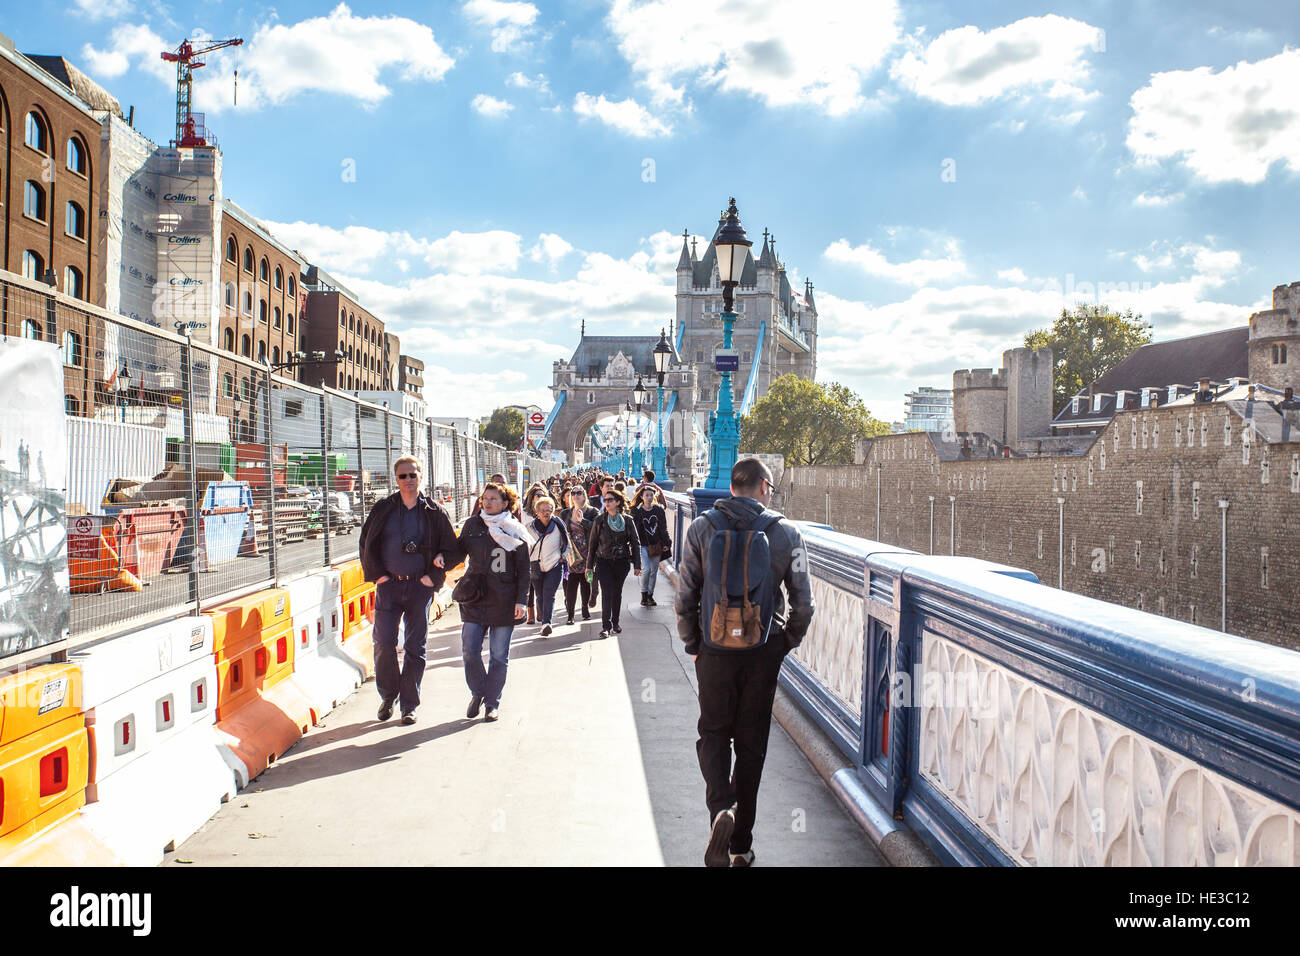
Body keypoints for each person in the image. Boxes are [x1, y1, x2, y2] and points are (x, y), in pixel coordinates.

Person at [674, 457, 815, 867]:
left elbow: (686, 592)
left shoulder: (701, 527)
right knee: (751, 745)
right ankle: (740, 846)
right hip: (761, 650)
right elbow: (804, 600)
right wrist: (784, 641)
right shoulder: (786, 532)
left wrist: (693, 643)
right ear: (764, 487)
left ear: (731, 486)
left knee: (713, 732)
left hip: (714, 649)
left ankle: (721, 806)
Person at [359, 455, 458, 725]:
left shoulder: (434, 512)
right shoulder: (383, 509)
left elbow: (453, 549)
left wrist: (434, 575)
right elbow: (366, 542)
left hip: (419, 587)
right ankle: (388, 695)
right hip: (389, 586)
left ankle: (409, 705)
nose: (408, 480)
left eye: (413, 475)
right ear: (396, 479)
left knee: (416, 646)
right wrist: (378, 576)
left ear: (421, 477)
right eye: (403, 476)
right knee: (383, 643)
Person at [456, 482, 530, 722]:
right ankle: (478, 692)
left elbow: (524, 570)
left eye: (493, 499)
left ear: (505, 503)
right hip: (475, 597)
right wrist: (437, 558)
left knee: (499, 655)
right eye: (484, 498)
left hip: (504, 599)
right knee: (469, 649)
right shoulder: (472, 525)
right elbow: (457, 553)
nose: (486, 502)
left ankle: (491, 703)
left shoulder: (514, 530)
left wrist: (522, 601)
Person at [585, 486, 641, 639]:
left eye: (610, 500)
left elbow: (635, 543)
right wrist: (589, 566)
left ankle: (615, 623)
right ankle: (606, 627)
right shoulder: (600, 520)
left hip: (622, 562)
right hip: (604, 561)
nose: (607, 502)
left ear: (617, 502)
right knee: (607, 593)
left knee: (617, 592)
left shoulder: (628, 520)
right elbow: (593, 544)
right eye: (605, 500)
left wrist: (637, 564)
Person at [526, 493, 569, 637]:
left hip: (554, 566)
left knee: (549, 594)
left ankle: (546, 623)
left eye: (549, 509)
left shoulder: (558, 525)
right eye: (543, 510)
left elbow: (567, 544)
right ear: (537, 512)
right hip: (536, 567)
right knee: (540, 595)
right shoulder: (529, 528)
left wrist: (563, 557)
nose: (546, 513)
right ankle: (545, 621)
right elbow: (524, 548)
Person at [558, 486, 597, 624]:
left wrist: (583, 522)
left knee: (586, 582)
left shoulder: (592, 512)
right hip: (571, 553)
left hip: (587, 552)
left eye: (579, 493)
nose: (575, 495)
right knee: (570, 584)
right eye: (573, 493)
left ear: (584, 496)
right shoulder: (565, 513)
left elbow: (596, 529)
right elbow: (559, 533)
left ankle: (585, 608)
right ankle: (571, 614)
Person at [631, 485, 670, 606]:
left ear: (654, 496)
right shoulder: (637, 512)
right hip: (643, 545)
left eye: (651, 495)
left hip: (656, 545)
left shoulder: (659, 511)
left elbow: (663, 528)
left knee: (654, 571)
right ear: (641, 497)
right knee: (647, 569)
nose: (649, 497)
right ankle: (643, 595)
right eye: (646, 495)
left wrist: (666, 543)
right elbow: (634, 530)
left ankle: (650, 596)